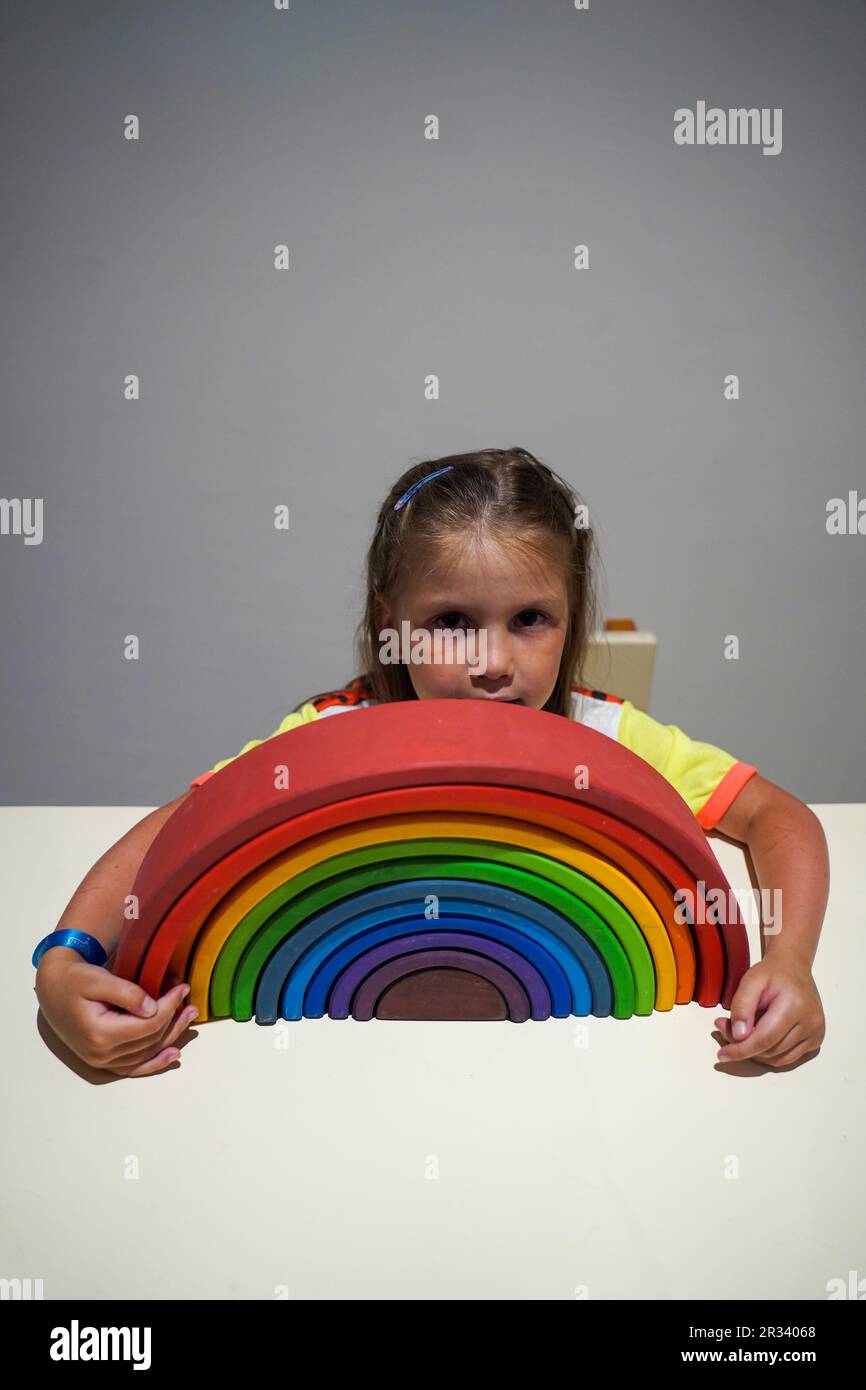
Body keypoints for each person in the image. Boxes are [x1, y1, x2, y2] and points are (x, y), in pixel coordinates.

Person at [34, 447, 828, 1076]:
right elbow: (185, 823)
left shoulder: (607, 735)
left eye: (530, 619)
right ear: (392, 622)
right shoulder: (332, 734)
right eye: (451, 620)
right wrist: (66, 963)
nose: (492, 662)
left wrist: (789, 960)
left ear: (571, 619)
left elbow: (773, 813)